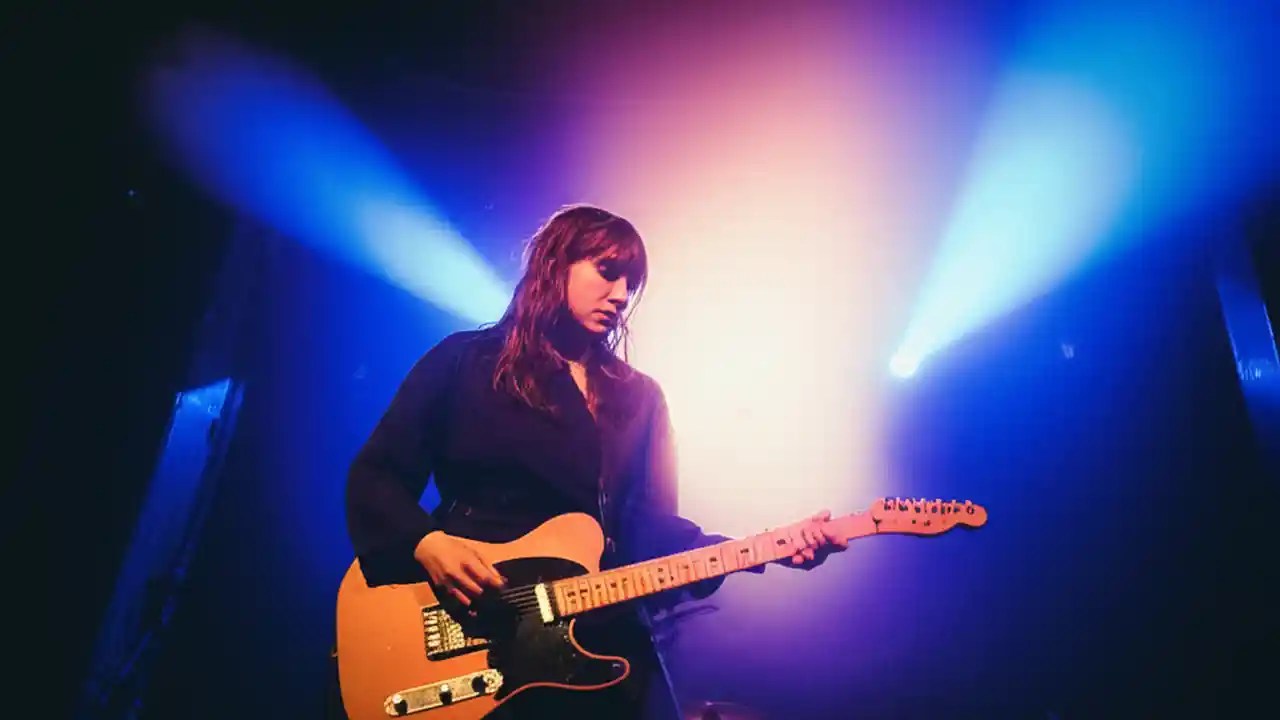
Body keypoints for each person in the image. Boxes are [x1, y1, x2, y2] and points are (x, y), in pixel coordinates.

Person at [343, 204, 847, 719]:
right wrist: (427, 543)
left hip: (599, 642)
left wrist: (767, 547)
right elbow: (375, 476)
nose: (622, 295)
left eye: (632, 282)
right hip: (477, 629)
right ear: (555, 264)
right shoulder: (466, 362)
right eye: (607, 272)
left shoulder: (639, 398)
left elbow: (649, 531)